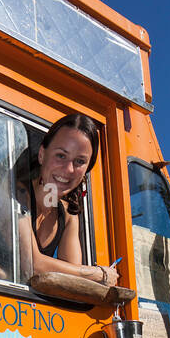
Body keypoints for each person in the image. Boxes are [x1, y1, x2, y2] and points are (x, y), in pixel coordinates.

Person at [17, 112, 120, 286]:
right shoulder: (16, 193)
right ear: (42, 154)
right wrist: (99, 273)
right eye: (61, 155)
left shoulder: (68, 215)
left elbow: (72, 282)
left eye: (79, 161)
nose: (69, 169)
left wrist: (82, 274)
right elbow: (32, 264)